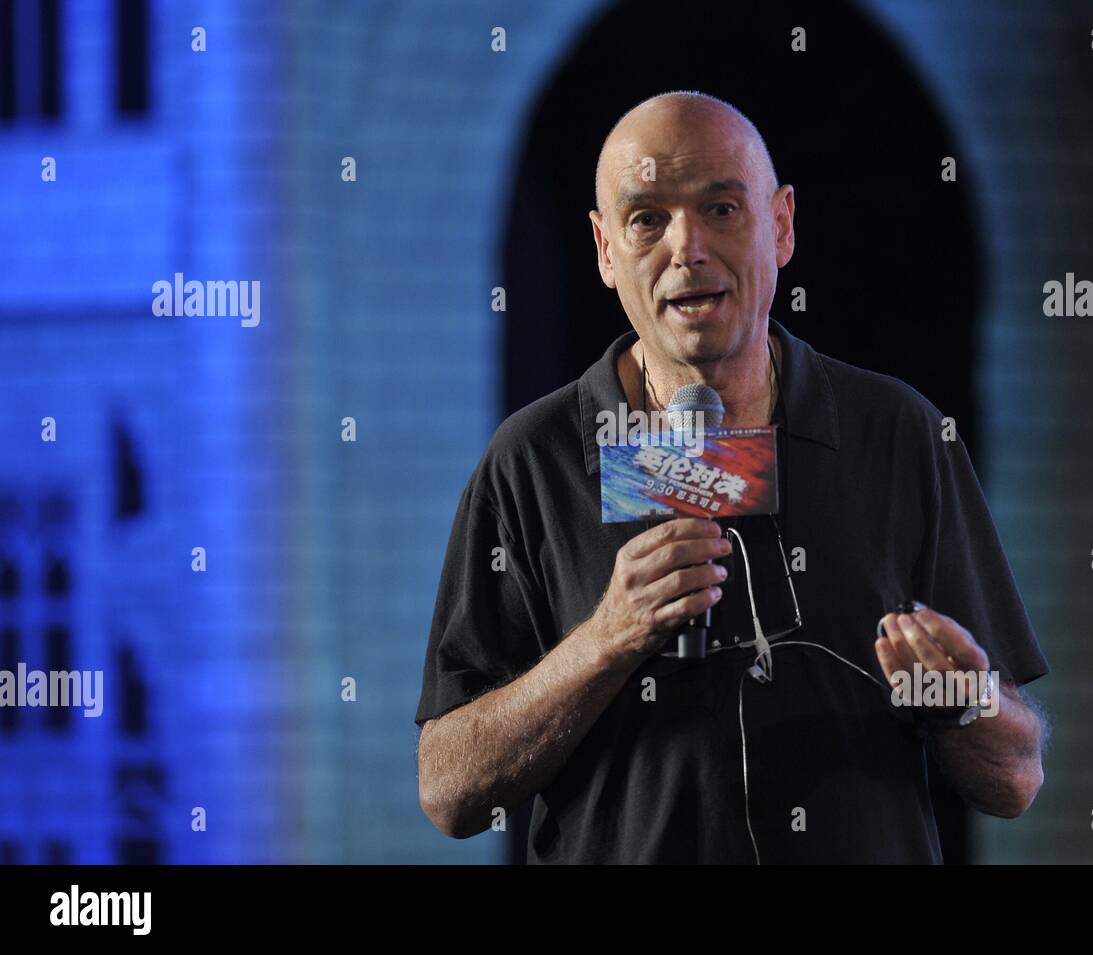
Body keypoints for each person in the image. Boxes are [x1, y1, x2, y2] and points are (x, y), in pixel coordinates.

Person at [415, 90, 1049, 864]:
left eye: (721, 209)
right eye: (647, 217)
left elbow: (1015, 778)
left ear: (781, 226)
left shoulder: (895, 432)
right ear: (605, 247)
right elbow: (448, 790)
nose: (687, 248)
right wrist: (605, 641)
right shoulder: (531, 460)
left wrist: (964, 700)